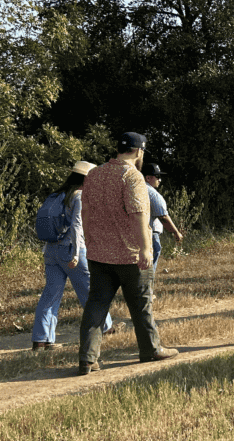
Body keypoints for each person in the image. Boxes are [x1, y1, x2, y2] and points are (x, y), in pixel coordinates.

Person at [78, 132, 178, 374]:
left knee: (96, 303)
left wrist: (89, 239)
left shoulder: (94, 174)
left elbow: (86, 210)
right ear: (139, 151)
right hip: (129, 254)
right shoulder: (132, 176)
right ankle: (151, 349)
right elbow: (139, 215)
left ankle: (87, 358)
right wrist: (145, 248)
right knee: (141, 303)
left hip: (99, 253)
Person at [31, 160, 114, 350]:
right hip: (71, 250)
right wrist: (77, 254)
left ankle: (41, 340)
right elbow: (77, 226)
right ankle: (107, 328)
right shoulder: (80, 196)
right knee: (92, 291)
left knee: (50, 294)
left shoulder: (56, 195)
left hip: (51, 250)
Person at [143, 162, 184, 271]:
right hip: (150, 234)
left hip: (133, 235)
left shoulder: (132, 190)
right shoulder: (152, 193)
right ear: (148, 177)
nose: (160, 180)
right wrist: (176, 233)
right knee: (150, 261)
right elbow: (163, 217)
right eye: (158, 177)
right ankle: (147, 283)